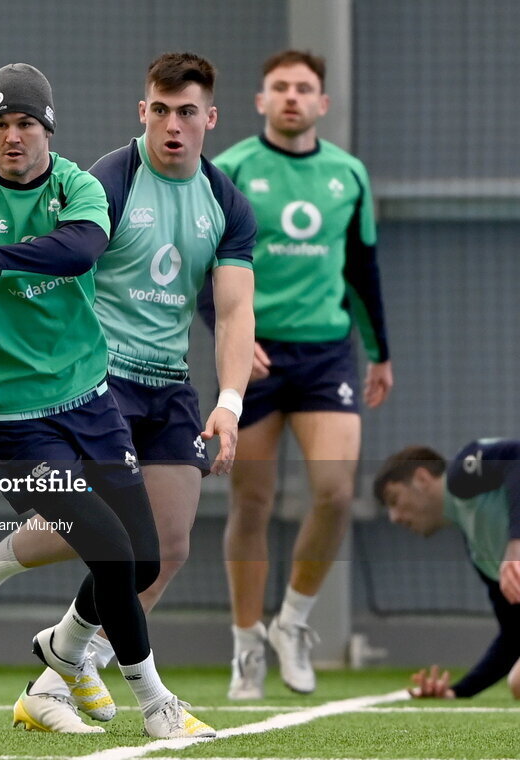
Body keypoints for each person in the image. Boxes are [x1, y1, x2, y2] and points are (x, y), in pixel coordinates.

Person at [0, 53, 256, 733]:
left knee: (161, 549)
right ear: (143, 112)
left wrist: (230, 401)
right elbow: (60, 259)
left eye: (186, 112)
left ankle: (60, 657)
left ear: (210, 118)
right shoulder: (108, 180)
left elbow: (232, 310)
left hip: (167, 384)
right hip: (94, 380)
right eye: (160, 110)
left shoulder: (226, 202)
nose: (172, 125)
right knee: (104, 536)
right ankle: (119, 687)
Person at [201, 49, 394, 699]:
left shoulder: (349, 175)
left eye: (303, 88)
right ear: (261, 101)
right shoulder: (230, 171)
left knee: (336, 492)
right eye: (280, 87)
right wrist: (232, 338)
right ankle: (245, 646)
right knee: (251, 501)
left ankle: (293, 622)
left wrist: (381, 352)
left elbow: (362, 270)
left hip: (326, 356)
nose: (291, 96)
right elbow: (204, 267)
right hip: (255, 356)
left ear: (322, 103)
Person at [373, 440, 520, 700]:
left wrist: (516, 547)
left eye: (394, 500)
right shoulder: (480, 551)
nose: (394, 518)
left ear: (422, 478)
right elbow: (513, 636)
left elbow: (516, 456)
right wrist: (455, 692)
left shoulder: (461, 475)